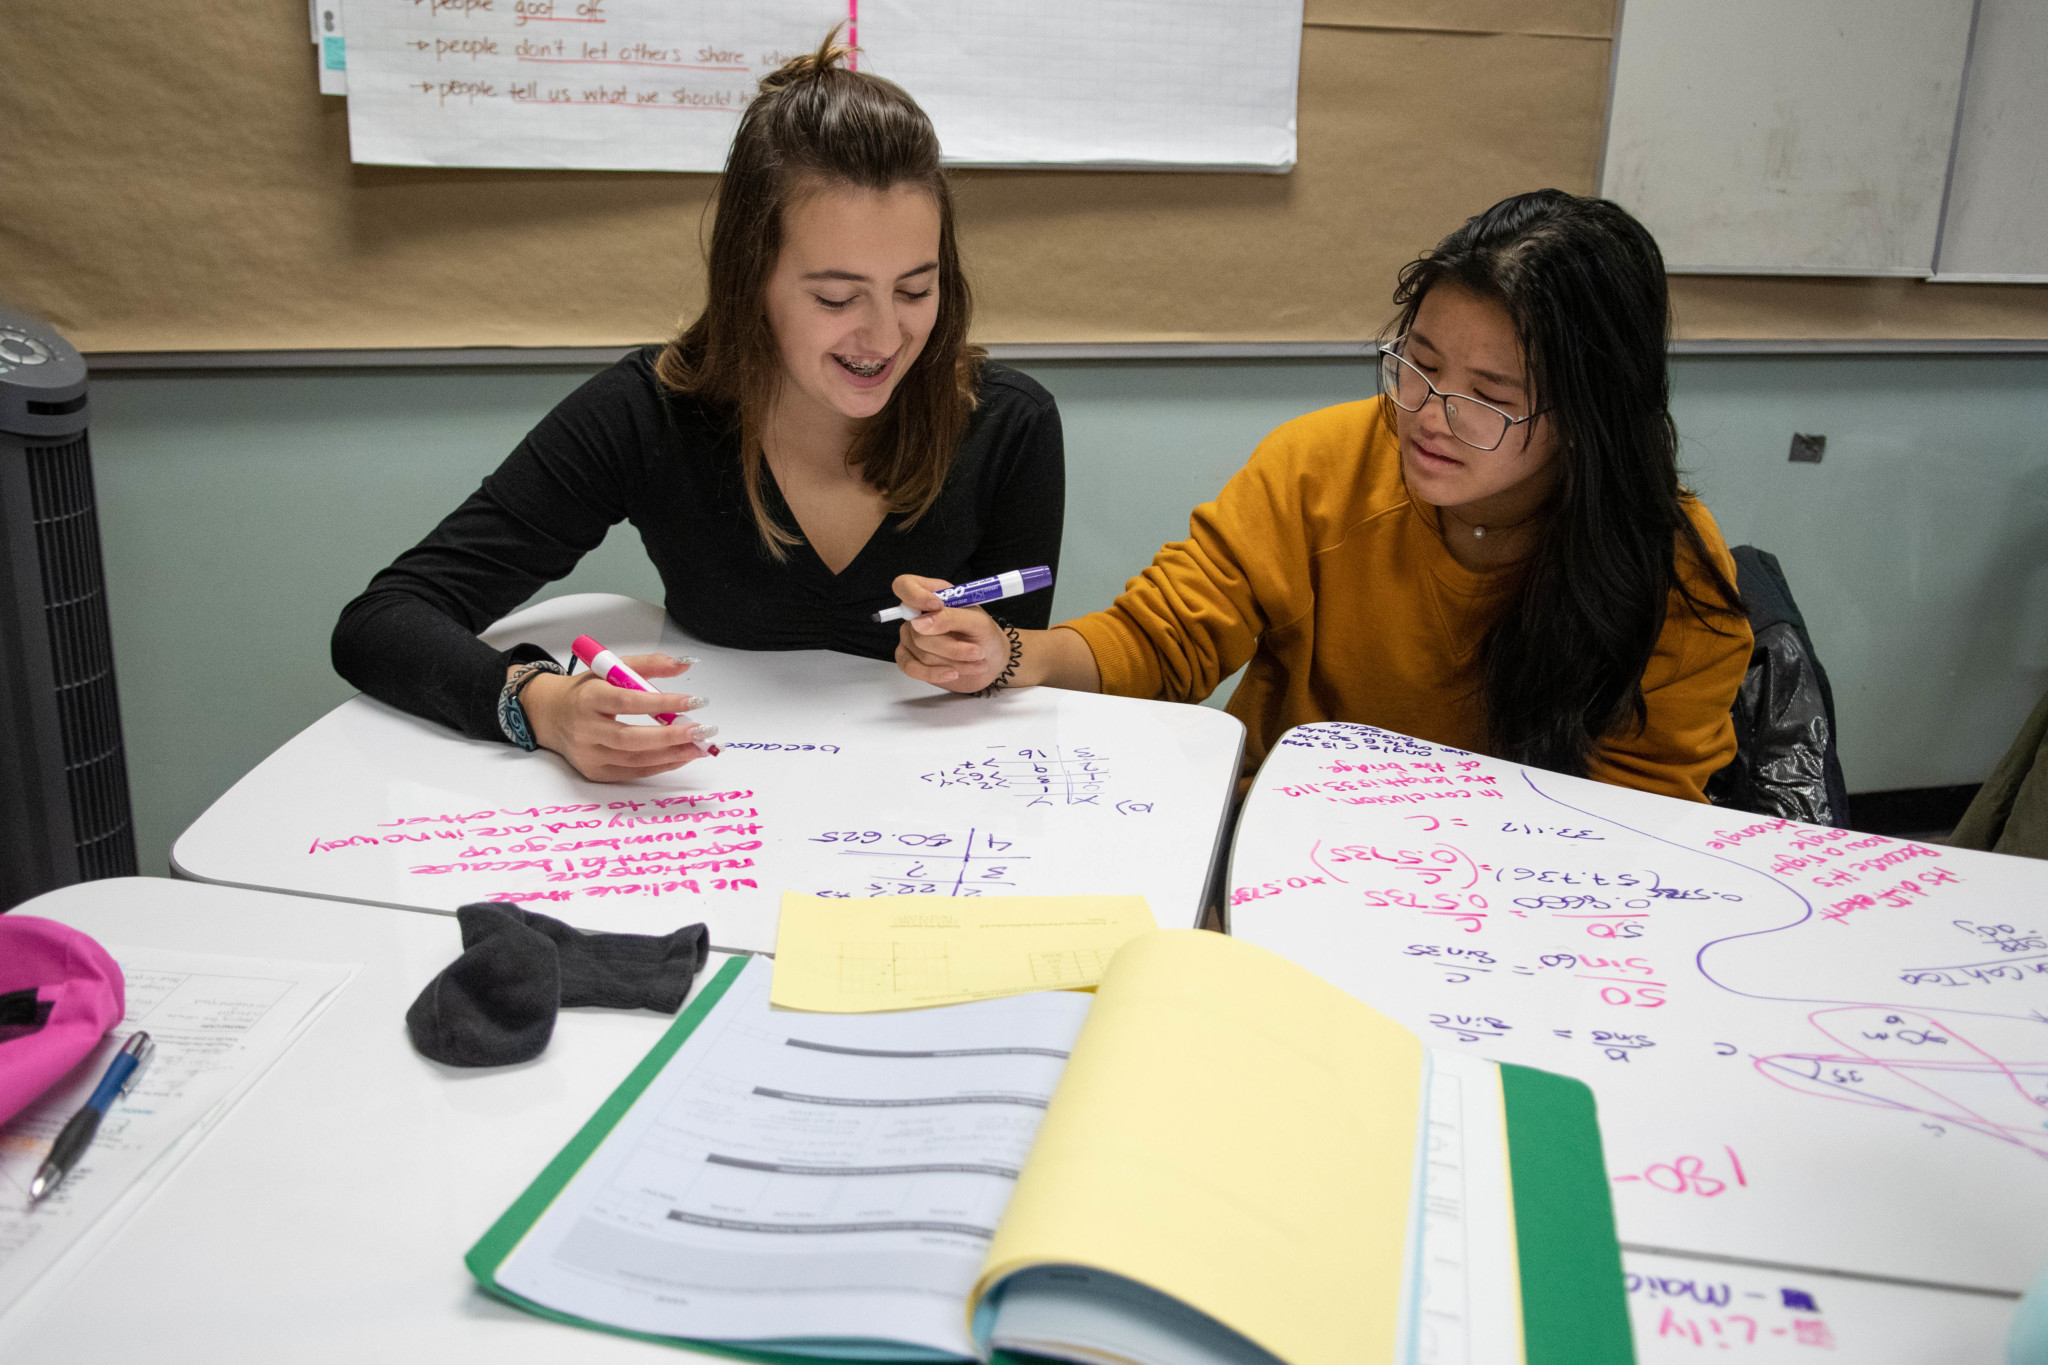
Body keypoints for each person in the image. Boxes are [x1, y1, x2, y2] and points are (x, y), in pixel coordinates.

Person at [332, 35, 1063, 783]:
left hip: (921, 836)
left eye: (915, 290)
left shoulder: (1008, 426)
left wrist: (989, 656)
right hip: (710, 811)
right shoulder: (650, 411)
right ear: (752, 280)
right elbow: (384, 620)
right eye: (837, 297)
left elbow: (1008, 675)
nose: (884, 336)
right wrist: (543, 706)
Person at [893, 190, 1750, 802]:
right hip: (1281, 862)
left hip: (1510, 914)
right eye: (1418, 363)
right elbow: (1163, 638)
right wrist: (1009, 654)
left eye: (1491, 394)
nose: (1429, 416)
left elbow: (1643, 820)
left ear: (1590, 418)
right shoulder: (1322, 466)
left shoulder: (1668, 569)